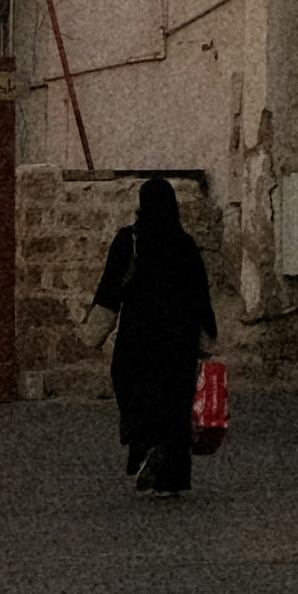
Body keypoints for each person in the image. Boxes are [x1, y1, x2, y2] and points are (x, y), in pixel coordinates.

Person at [93, 174, 217, 500]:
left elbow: (110, 288)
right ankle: (171, 478)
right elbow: (199, 293)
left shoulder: (129, 240)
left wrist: (93, 332)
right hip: (179, 339)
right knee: (175, 403)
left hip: (138, 336)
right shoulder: (184, 244)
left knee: (132, 390)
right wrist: (208, 335)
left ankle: (146, 445)